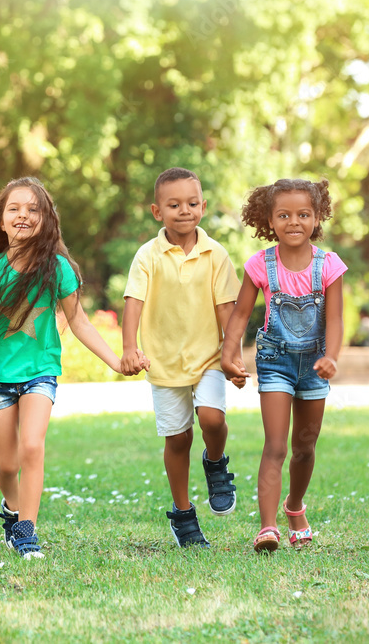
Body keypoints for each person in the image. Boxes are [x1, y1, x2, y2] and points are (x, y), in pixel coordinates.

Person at [0, 177, 128, 559]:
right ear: (0, 221)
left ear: (47, 219)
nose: (23, 215)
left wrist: (116, 361)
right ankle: (12, 507)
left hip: (40, 372)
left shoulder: (58, 269)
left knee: (32, 447)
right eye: (14, 208)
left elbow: (81, 322)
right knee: (6, 467)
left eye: (33, 209)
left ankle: (26, 530)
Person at [220, 178, 347, 553]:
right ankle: (268, 527)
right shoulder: (261, 264)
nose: (294, 222)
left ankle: (294, 507)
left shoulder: (329, 265)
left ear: (317, 217)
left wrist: (331, 357)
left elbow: (336, 320)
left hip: (315, 366)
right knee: (275, 445)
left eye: (303, 214)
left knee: (304, 447)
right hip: (275, 362)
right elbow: (241, 314)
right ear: (269, 220)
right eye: (284, 215)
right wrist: (230, 355)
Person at [120, 167, 242, 548]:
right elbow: (133, 303)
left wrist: (232, 355)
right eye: (174, 205)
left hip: (209, 357)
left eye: (192, 203)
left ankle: (216, 463)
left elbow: (228, 309)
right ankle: (183, 514)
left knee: (212, 419)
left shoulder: (215, 254)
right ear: (158, 211)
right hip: (163, 361)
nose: (184, 210)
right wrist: (129, 348)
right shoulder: (147, 255)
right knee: (178, 439)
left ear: (203, 206)